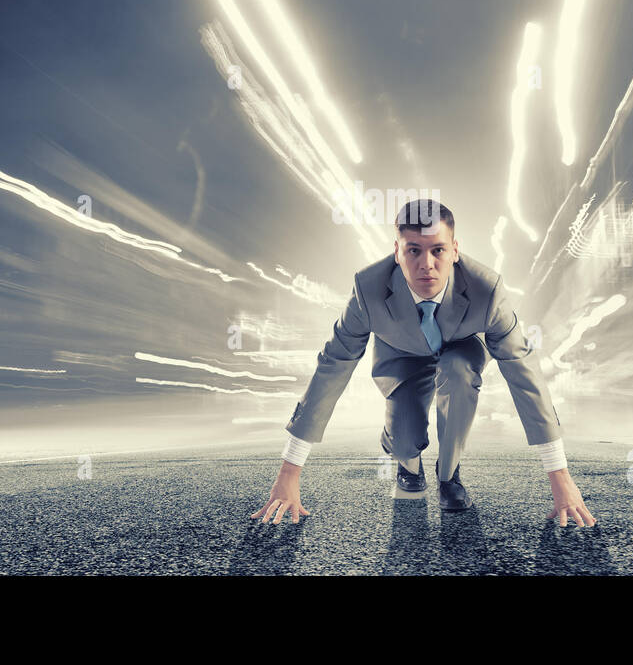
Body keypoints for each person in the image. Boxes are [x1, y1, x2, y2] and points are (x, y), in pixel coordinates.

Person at [251, 198, 595, 527]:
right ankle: (405, 460)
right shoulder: (367, 289)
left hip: (461, 349)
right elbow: (334, 365)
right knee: (404, 437)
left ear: (455, 251)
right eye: (413, 250)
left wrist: (560, 477)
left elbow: (524, 372)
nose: (426, 264)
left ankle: (449, 477)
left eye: (438, 250)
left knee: (458, 373)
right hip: (401, 356)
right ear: (397, 252)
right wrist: (288, 474)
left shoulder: (487, 290)